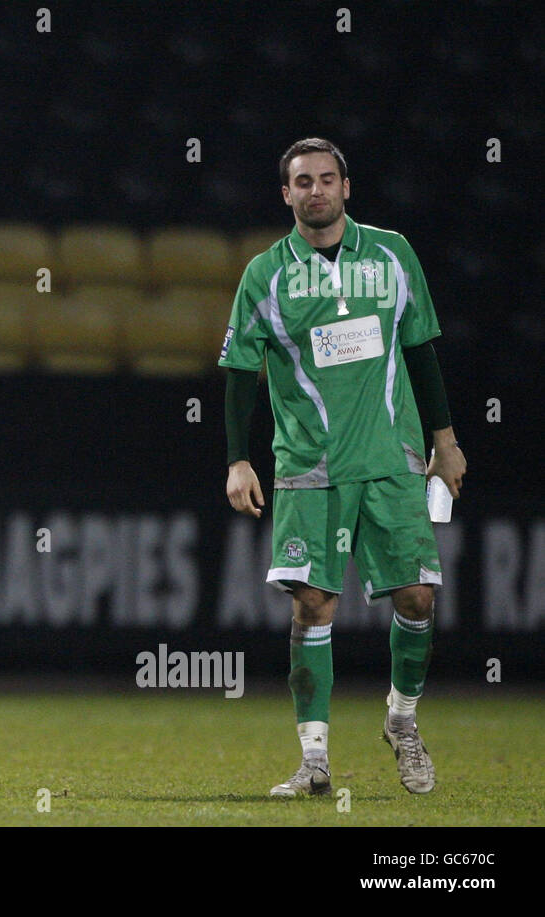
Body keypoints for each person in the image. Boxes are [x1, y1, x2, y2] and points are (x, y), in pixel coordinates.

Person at [220, 137, 467, 797]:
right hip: (310, 464)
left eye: (327, 178)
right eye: (303, 181)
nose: (316, 190)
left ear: (347, 186)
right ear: (286, 193)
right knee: (312, 603)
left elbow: (420, 352)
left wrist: (447, 442)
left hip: (392, 457)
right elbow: (242, 371)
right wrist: (237, 458)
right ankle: (315, 758)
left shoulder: (392, 253)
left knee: (417, 595)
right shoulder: (265, 273)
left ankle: (402, 719)